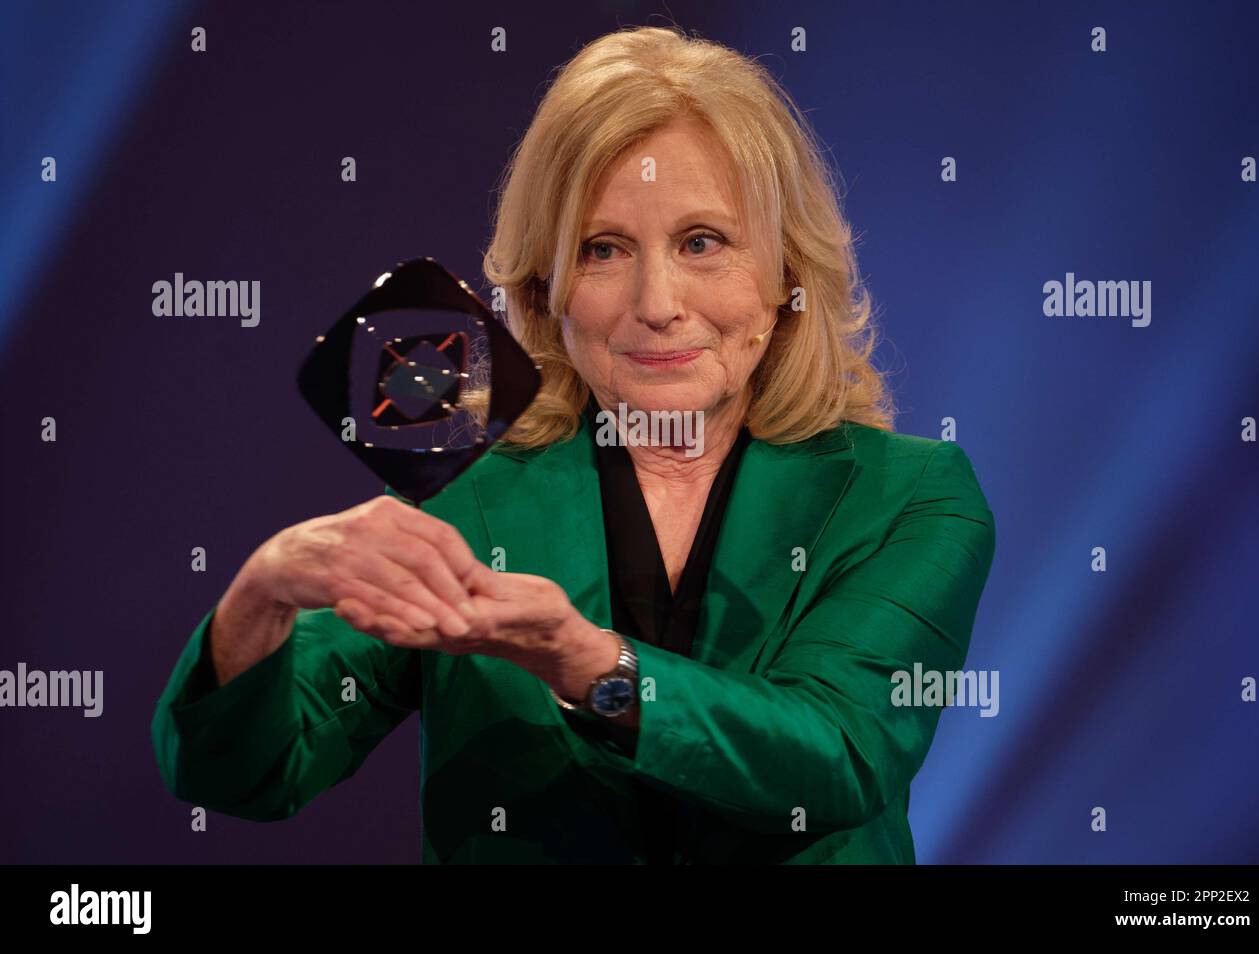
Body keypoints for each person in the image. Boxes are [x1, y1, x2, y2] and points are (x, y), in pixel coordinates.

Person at [151, 25, 996, 864]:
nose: (657, 302)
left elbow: (836, 760)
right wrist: (262, 594)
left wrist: (587, 662)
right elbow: (244, 776)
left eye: (703, 243)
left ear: (787, 274)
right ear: (545, 288)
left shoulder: (910, 496)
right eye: (604, 250)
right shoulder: (470, 488)